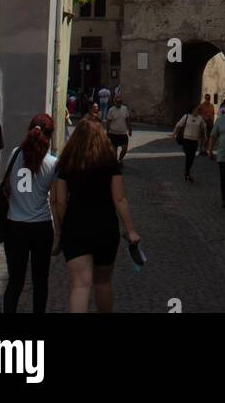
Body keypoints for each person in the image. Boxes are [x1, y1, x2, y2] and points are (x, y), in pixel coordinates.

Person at [51, 118, 140, 314]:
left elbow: (59, 201)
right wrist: (130, 230)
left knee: (80, 286)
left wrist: (64, 226)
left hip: (75, 227)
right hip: (104, 227)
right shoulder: (110, 164)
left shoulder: (67, 163)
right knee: (103, 282)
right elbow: (119, 199)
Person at [2, 114, 58, 314]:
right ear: (49, 136)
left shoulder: (15, 154)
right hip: (41, 226)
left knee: (15, 281)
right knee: (40, 281)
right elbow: (56, 199)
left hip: (15, 224)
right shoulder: (52, 163)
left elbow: (7, 187)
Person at [172, 106, 207, 182]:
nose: (196, 111)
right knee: (189, 156)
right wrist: (174, 133)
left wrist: (205, 136)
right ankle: (187, 173)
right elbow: (178, 125)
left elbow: (204, 127)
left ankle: (187, 172)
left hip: (194, 141)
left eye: (197, 110)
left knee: (192, 157)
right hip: (186, 140)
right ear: (192, 110)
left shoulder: (200, 118)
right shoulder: (186, 116)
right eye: (195, 110)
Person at [104, 94, 132, 163]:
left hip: (123, 133)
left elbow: (127, 120)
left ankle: (120, 158)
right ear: (115, 102)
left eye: (120, 101)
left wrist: (130, 130)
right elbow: (108, 122)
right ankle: (115, 162)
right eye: (117, 101)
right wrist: (107, 132)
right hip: (113, 134)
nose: (119, 103)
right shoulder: (111, 110)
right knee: (114, 152)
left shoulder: (125, 109)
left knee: (124, 149)